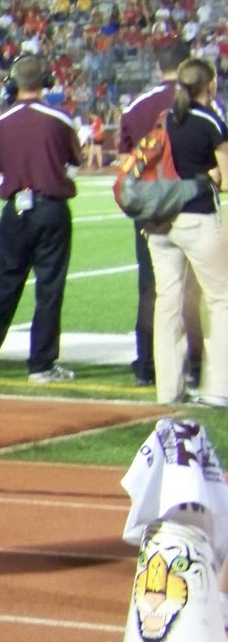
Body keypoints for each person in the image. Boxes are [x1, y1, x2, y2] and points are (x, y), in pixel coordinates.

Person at [0, 54, 81, 383]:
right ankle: (41, 364)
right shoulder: (60, 118)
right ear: (46, 82)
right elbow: (75, 161)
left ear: (13, 83)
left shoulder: (0, 122)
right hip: (51, 206)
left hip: (15, 208)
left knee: (2, 283)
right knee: (49, 288)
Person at [145, 57, 228, 405]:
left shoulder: (165, 118)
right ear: (209, 85)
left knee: (168, 302)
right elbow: (225, 180)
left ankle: (168, 391)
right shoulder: (211, 121)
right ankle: (219, 389)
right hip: (196, 218)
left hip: (159, 221)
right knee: (221, 300)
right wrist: (209, 176)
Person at [120, 41, 199, 388]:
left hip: (150, 206)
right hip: (191, 202)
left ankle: (147, 364)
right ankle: (195, 366)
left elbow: (126, 161)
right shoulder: (199, 101)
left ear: (158, 67)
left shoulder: (137, 106)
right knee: (193, 288)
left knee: (151, 285)